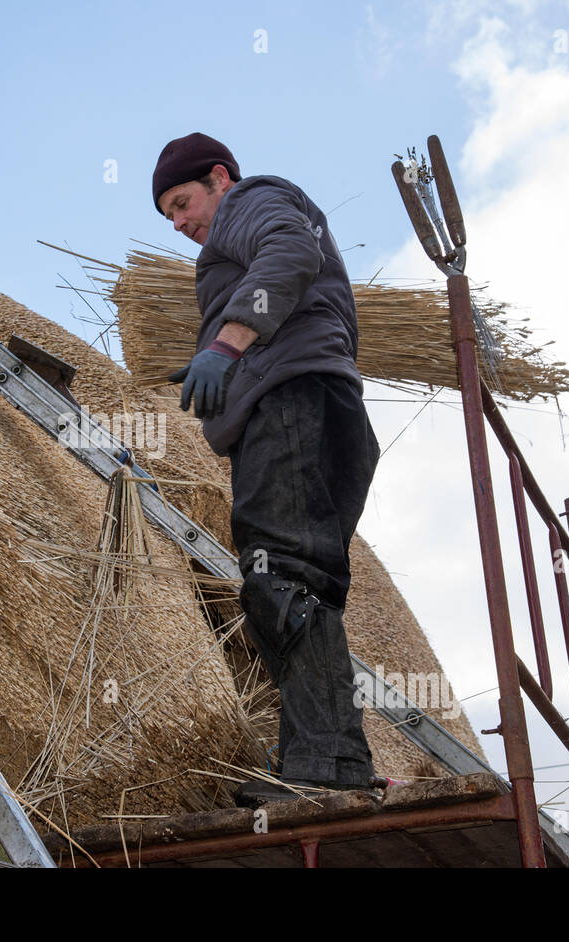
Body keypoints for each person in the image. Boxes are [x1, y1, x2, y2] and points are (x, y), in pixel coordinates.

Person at [153, 132, 383, 805]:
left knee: (278, 580)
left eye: (182, 200)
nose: (179, 222)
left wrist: (225, 346)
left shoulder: (251, 201)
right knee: (303, 586)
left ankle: (318, 770)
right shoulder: (245, 224)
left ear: (220, 178)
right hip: (322, 407)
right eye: (166, 214)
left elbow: (289, 252)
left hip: (290, 408)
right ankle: (330, 760)